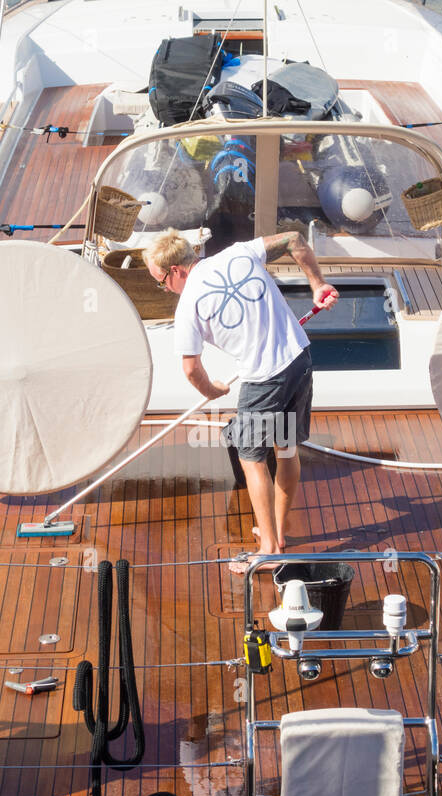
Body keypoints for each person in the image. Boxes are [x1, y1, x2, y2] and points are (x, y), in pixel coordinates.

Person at [145, 228, 338, 572]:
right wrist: (317, 284)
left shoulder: (188, 305)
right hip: (298, 359)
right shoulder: (239, 252)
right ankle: (275, 532)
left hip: (263, 380)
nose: (164, 288)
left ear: (176, 271)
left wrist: (213, 392)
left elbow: (191, 370)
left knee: (252, 460)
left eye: (161, 281)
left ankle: (268, 551)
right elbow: (294, 239)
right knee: (287, 448)